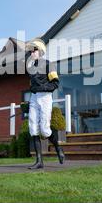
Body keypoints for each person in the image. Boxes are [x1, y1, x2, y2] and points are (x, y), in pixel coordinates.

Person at [26, 38, 64, 169]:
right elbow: (32, 85)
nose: (32, 52)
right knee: (33, 128)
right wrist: (32, 89)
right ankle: (39, 162)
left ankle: (58, 149)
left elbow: (55, 83)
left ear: (40, 51)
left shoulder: (49, 64)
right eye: (31, 51)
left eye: (34, 50)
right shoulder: (30, 68)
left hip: (45, 98)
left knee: (45, 130)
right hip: (34, 98)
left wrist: (41, 88)